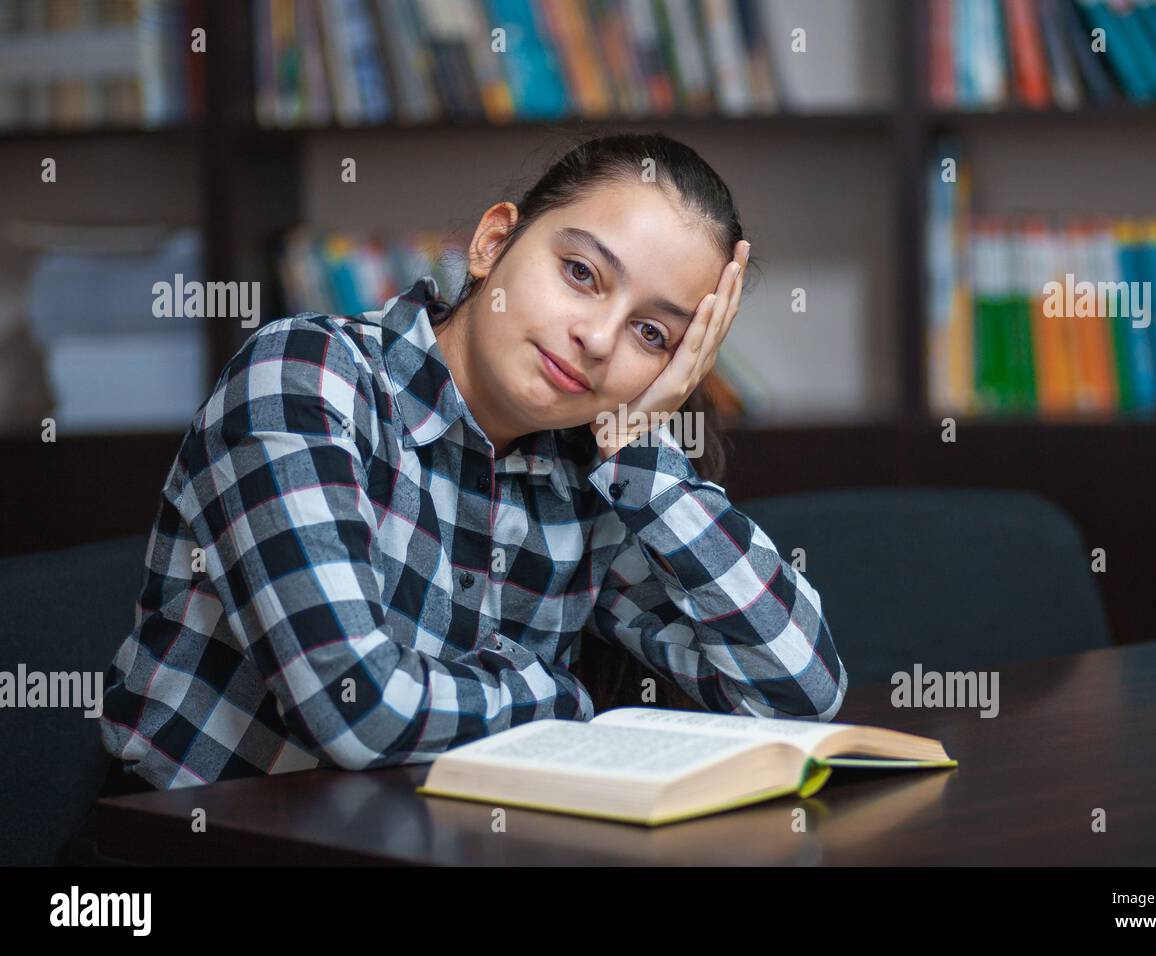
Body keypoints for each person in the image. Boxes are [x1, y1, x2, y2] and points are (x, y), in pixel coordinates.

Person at [99, 132, 847, 791]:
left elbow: (798, 689)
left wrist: (642, 452)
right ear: (493, 243)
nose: (597, 337)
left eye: (652, 335)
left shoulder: (593, 468)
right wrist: (560, 702)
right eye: (582, 274)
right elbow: (356, 706)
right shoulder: (308, 375)